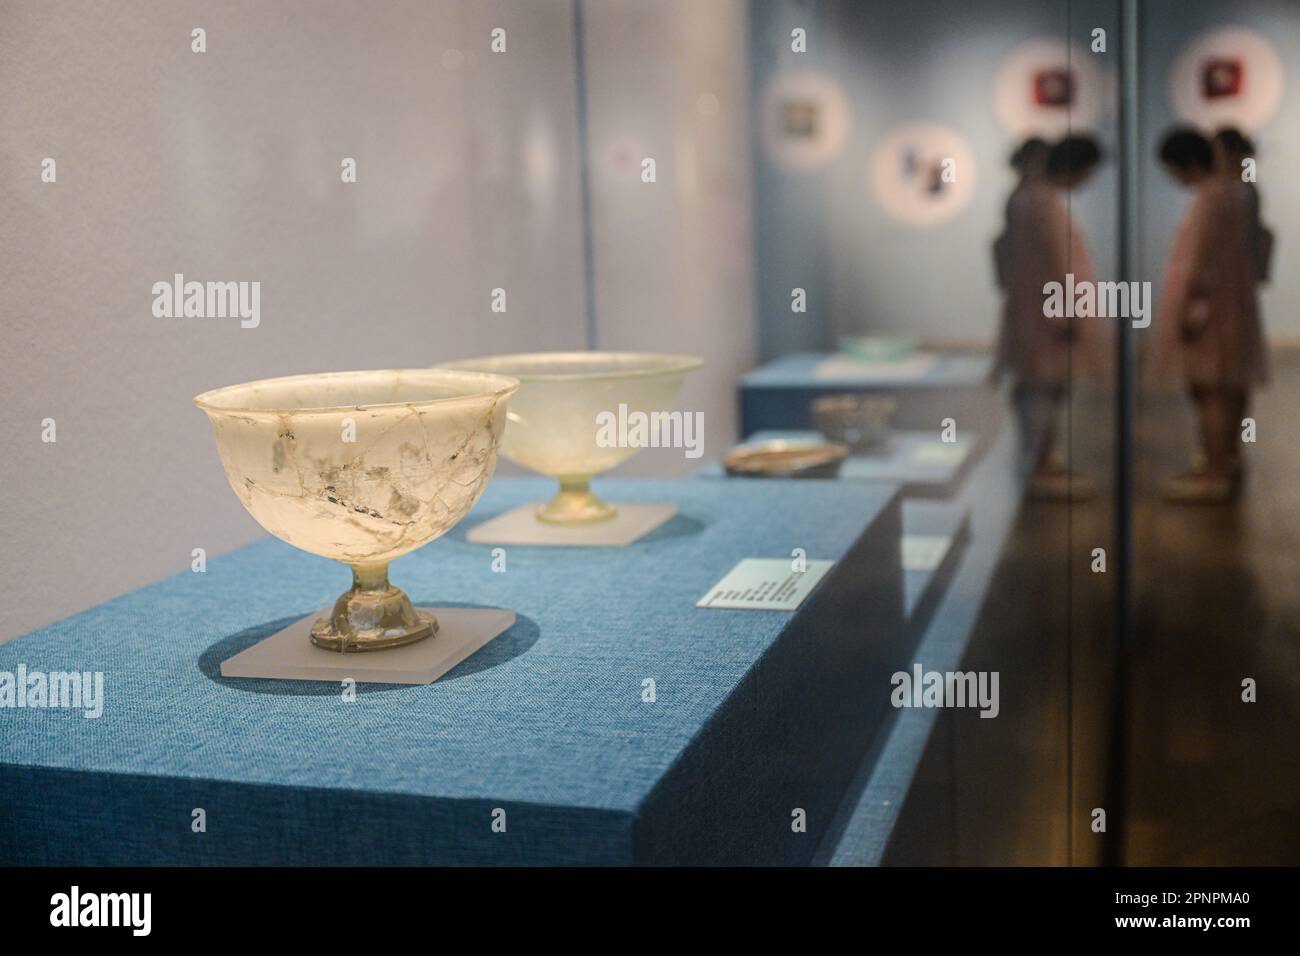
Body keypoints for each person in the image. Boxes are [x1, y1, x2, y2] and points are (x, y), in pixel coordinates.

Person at [1149, 127, 1266, 504]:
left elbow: (1202, 258)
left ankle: (1213, 471)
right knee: (1230, 385)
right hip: (1235, 301)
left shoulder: (1212, 196)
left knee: (1209, 388)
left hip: (1210, 305)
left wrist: (1191, 303)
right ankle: (1227, 459)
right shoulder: (1242, 193)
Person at [994, 134, 1106, 500]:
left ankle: (1040, 459)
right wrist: (1066, 307)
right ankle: (1039, 465)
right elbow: (1057, 260)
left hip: (1034, 304)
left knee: (1040, 385)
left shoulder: (1025, 199)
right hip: (1046, 307)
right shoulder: (1040, 200)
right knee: (1043, 385)